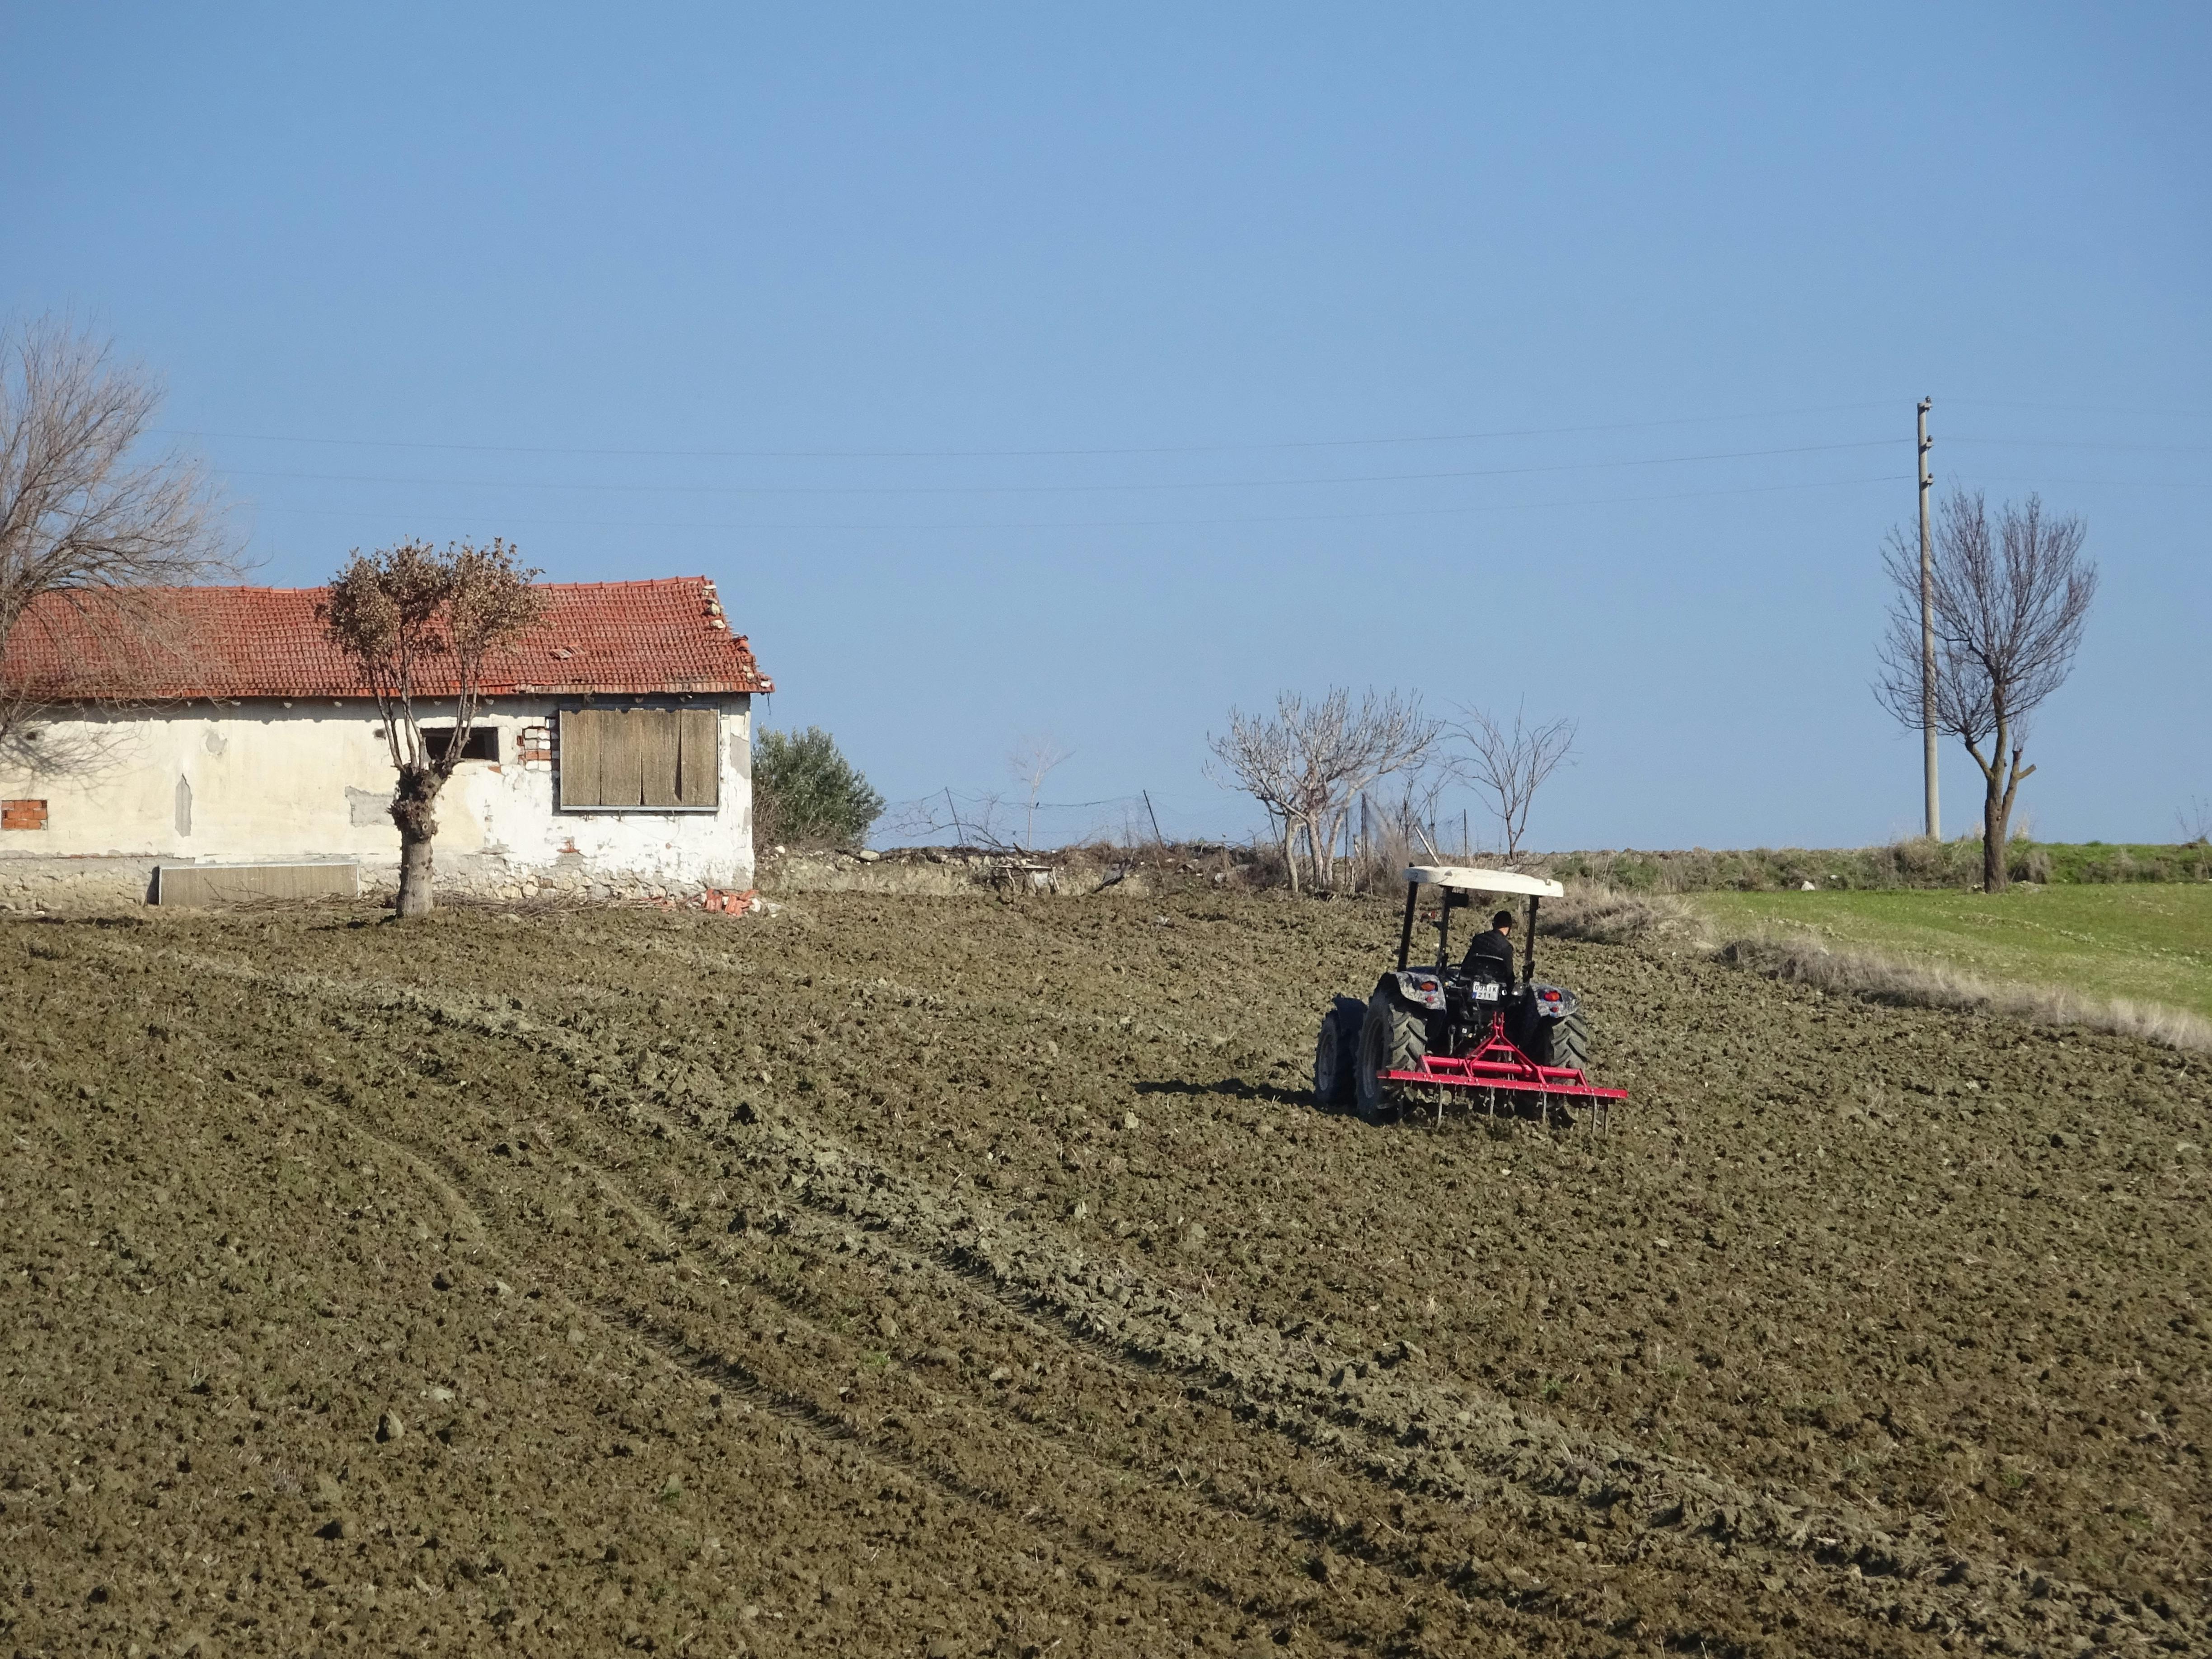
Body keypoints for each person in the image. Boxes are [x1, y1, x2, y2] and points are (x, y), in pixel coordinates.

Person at [1462, 908, 1518, 984]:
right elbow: (1509, 975)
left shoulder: (1478, 940)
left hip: (1473, 982)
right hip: (1496, 986)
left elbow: (1466, 965)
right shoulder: (1506, 948)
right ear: (1509, 927)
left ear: (1493, 924)